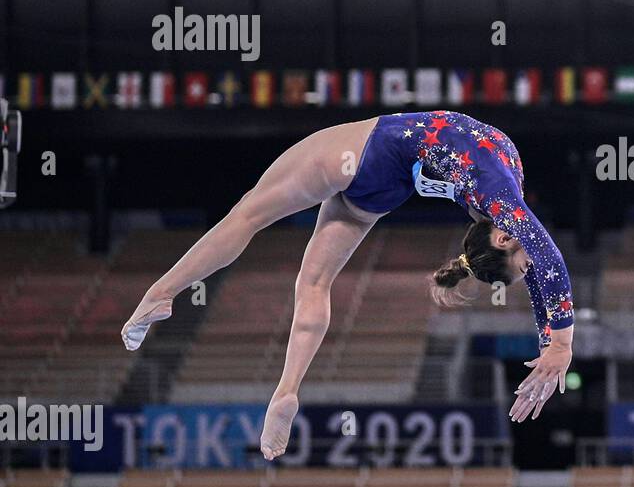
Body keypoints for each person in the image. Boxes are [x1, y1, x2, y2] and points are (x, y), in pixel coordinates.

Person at [120, 110, 575, 459]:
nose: (532, 263)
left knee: (248, 214)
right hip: (388, 189)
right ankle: (286, 389)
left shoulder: (501, 195)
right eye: (524, 262)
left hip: (365, 154)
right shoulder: (499, 199)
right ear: (501, 235)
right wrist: (554, 343)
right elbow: (547, 262)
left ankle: (161, 293)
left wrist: (557, 346)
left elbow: (547, 261)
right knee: (314, 282)